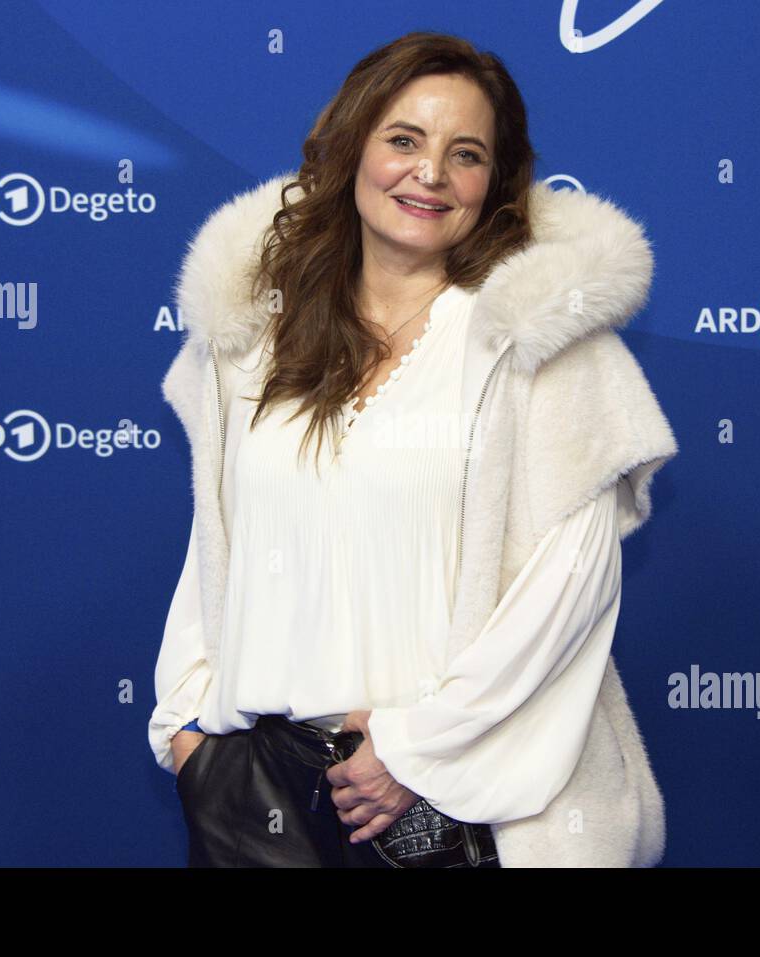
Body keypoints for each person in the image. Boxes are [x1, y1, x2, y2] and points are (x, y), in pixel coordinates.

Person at [150, 32, 679, 868]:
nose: (429, 173)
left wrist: (416, 748)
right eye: (403, 139)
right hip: (258, 790)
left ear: (495, 186)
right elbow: (221, 540)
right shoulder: (256, 335)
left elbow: (568, 590)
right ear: (352, 146)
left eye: (464, 154)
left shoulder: (537, 343)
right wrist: (188, 726)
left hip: (451, 800)